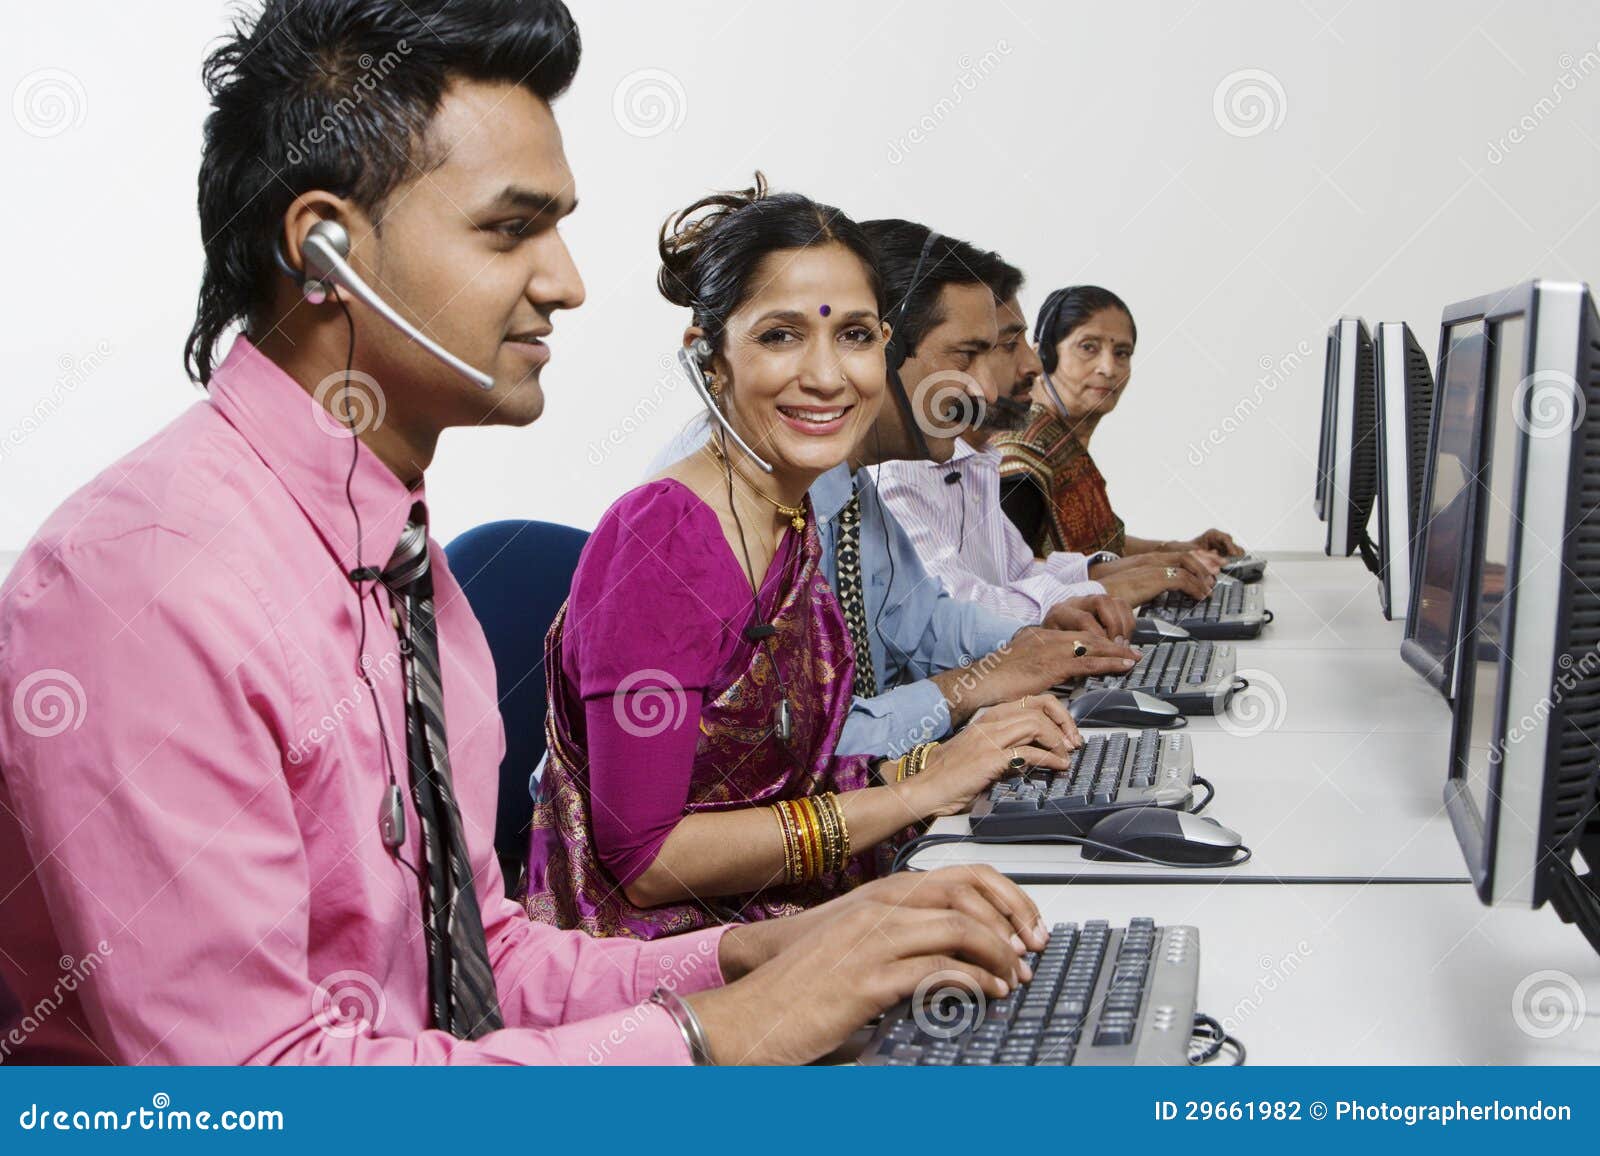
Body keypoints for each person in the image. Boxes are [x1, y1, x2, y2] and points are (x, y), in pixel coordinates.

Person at [0, 0, 1048, 1066]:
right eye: (511, 229)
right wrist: (713, 1032)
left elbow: (473, 962)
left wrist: (762, 957)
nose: (567, 282)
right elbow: (250, 1101)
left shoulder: (394, 560)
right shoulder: (147, 585)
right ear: (321, 250)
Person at [525, 180, 1083, 939]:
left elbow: (789, 780)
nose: (827, 376)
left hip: (783, 917)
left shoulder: (791, 514)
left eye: (854, 335)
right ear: (710, 359)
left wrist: (948, 768)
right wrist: (915, 793)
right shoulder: (661, 540)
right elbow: (649, 861)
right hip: (670, 969)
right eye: (781, 335)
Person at [803, 221, 1142, 760]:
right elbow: (804, 748)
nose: (988, 390)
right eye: (965, 357)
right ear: (872, 350)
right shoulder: (751, 514)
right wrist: (969, 689)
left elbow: (922, 619)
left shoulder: (852, 489)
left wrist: (1025, 640)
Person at [875, 260, 1211, 625]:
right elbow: (953, 614)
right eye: (1002, 346)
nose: (1108, 369)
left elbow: (1019, 572)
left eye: (1122, 353)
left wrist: (1144, 565)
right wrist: (1106, 593)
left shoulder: (978, 460)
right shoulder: (914, 473)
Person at [995, 286, 1242, 592]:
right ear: (1043, 353)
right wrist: (1154, 571)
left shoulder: (1058, 437)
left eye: (1122, 353)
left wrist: (1176, 550)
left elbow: (1099, 547)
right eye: (1088, 347)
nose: (1108, 368)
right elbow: (1011, 581)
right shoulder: (1019, 461)